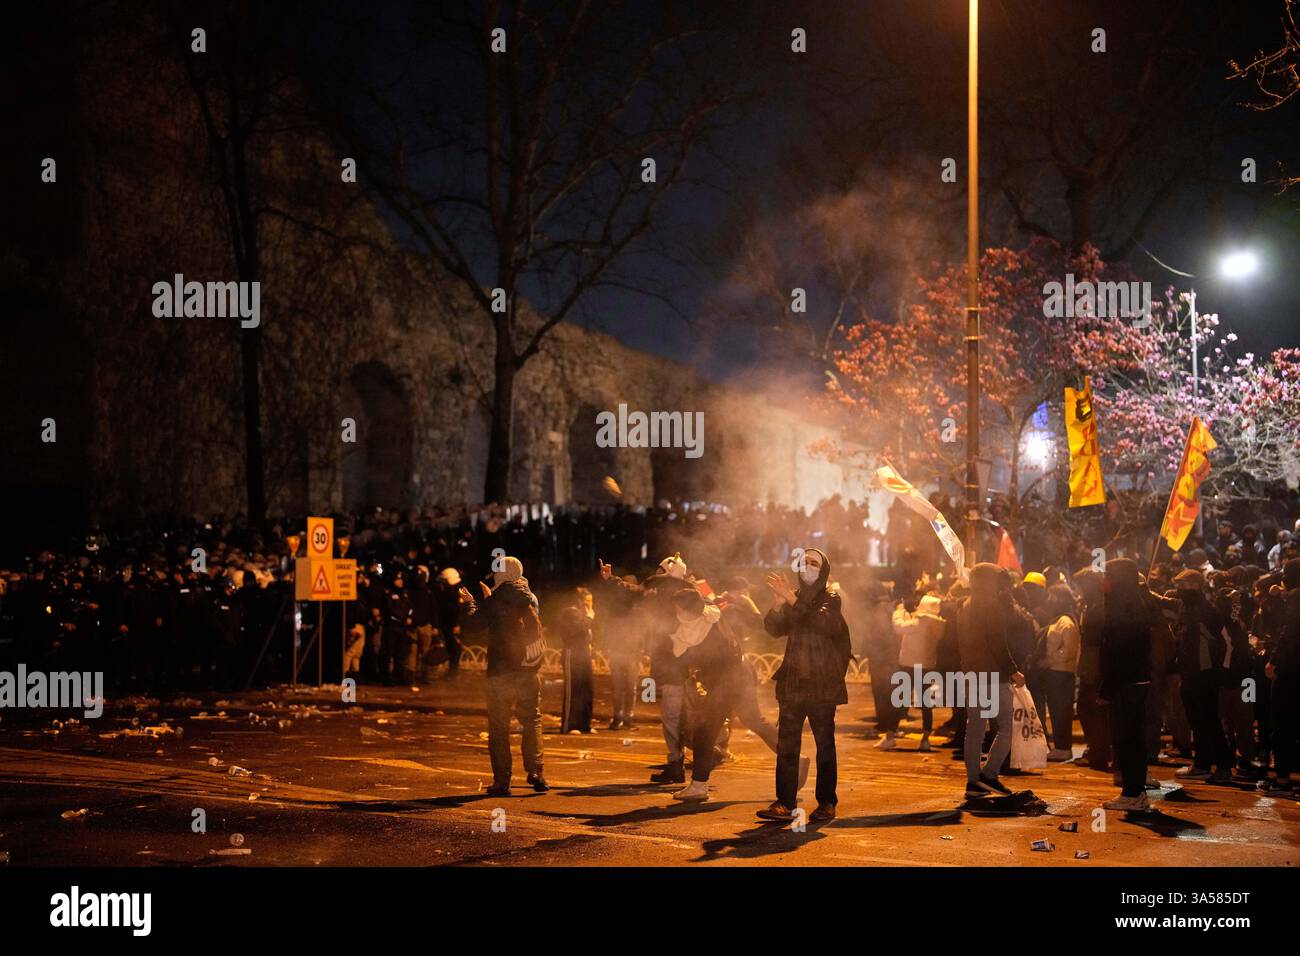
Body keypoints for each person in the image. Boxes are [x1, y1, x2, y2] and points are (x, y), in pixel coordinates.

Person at [757, 547, 851, 823]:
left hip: (822, 684)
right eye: (804, 561)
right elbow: (774, 629)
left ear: (823, 569)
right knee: (787, 745)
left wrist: (790, 599)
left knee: (825, 745)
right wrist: (777, 606)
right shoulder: (793, 597)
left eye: (814, 562)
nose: (808, 566)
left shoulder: (831, 596)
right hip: (793, 682)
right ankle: (784, 802)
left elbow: (823, 624)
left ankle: (826, 802)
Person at [668, 588, 788, 801]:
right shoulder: (710, 613)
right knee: (753, 720)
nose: (677, 612)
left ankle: (699, 785)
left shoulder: (699, 629)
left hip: (727, 680)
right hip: (740, 673)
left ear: (688, 609)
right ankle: (792, 755)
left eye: (679, 608)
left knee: (704, 730)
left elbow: (694, 659)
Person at [599, 554, 695, 784]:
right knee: (681, 715)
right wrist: (612, 580)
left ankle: (679, 765)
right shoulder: (689, 593)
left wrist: (613, 580)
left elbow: (636, 592)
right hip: (683, 663)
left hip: (675, 665)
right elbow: (637, 592)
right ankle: (685, 762)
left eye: (660, 571)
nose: (656, 576)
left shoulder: (668, 590)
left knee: (674, 716)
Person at [462, 556, 548, 796]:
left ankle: (503, 781)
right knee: (532, 720)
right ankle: (537, 773)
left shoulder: (497, 599)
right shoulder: (530, 597)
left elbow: (473, 625)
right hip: (528, 671)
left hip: (501, 673)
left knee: (499, 727)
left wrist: (470, 602)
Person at [957, 563, 1027, 800]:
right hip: (993, 677)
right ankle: (989, 775)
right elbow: (998, 645)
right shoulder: (993, 607)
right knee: (1007, 728)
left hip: (971, 676)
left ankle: (973, 781)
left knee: (975, 730)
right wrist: (1013, 671)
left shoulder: (964, 606)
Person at [1097, 559, 1154, 811]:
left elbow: (1116, 650)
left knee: (1126, 738)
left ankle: (1133, 792)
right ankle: (1133, 791)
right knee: (1131, 738)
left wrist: (1106, 688)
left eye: (1109, 574)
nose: (1104, 580)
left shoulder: (1122, 604)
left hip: (1126, 682)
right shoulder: (1133, 600)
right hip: (1134, 680)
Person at [1172, 569, 1234, 784]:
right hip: (1190, 673)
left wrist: (1218, 671)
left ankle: (1224, 766)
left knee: (1209, 720)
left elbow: (1223, 642)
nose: (1180, 589)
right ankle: (1202, 764)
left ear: (1196, 585)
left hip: (1204, 674)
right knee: (1197, 721)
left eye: (1184, 584)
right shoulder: (1186, 608)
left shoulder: (1206, 610)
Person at [1258, 558, 1300, 795]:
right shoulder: (1292, 597)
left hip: (1290, 670)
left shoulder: (1295, 600)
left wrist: (1273, 660)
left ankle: (1282, 779)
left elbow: (1288, 634)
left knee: (1282, 723)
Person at [893, 592, 945, 751]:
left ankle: (890, 735)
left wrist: (899, 610)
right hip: (927, 666)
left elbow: (898, 627)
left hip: (909, 664)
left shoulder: (920, 622)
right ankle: (925, 739)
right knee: (925, 704)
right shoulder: (938, 624)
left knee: (898, 699)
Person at [1039, 584, 1081, 761]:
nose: (1049, 600)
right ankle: (1060, 746)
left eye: (1052, 597)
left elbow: (1069, 650)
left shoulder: (1066, 622)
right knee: (1056, 710)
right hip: (1054, 672)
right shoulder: (1058, 620)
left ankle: (1063, 747)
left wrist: (1050, 660)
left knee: (1061, 711)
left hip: (1061, 673)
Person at [558, 586, 595, 735]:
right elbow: (577, 631)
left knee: (587, 689)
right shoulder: (570, 613)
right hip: (573, 655)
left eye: (591, 601)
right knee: (574, 690)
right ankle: (569, 725)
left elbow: (588, 635)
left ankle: (585, 724)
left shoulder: (585, 614)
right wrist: (589, 618)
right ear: (579, 600)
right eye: (587, 601)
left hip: (585, 654)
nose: (589, 604)